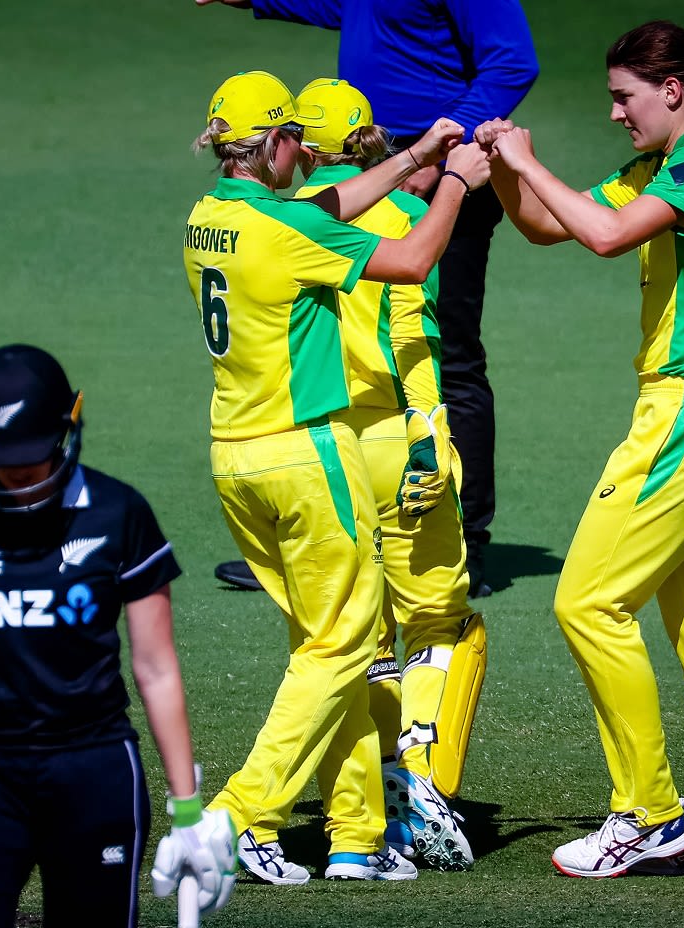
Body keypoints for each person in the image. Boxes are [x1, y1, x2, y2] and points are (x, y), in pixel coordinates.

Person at [185, 68, 487, 884]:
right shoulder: (289, 233)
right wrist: (455, 183)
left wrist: (414, 156)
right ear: (278, 143)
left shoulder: (210, 217)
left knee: (328, 649)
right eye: (293, 139)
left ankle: (357, 837)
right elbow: (414, 259)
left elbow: (323, 206)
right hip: (305, 455)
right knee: (345, 644)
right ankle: (240, 817)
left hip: (233, 455)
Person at [477, 20, 684, 877]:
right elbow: (547, 225)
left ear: (673, 90)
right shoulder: (660, 167)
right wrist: (504, 165)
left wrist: (527, 161)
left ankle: (647, 812)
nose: (614, 113)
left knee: (587, 603)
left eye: (623, 97)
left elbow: (606, 237)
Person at [0, 345, 237, 928]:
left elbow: (156, 667)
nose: (15, 472)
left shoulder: (119, 513)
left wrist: (188, 808)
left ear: (66, 431)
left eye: (29, 458)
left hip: (95, 768)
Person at [198, 0, 540, 592]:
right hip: (391, 156)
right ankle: (325, 537)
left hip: (439, 156)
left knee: (447, 354)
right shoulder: (290, 215)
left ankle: (462, 540)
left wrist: (442, 159)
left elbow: (513, 62)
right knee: (332, 333)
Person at [291, 77, 485, 872]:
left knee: (359, 634)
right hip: (397, 443)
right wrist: (430, 441)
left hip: (320, 454)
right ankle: (423, 784)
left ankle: (373, 800)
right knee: (442, 625)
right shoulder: (406, 218)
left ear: (302, 150)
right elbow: (415, 341)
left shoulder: (288, 221)